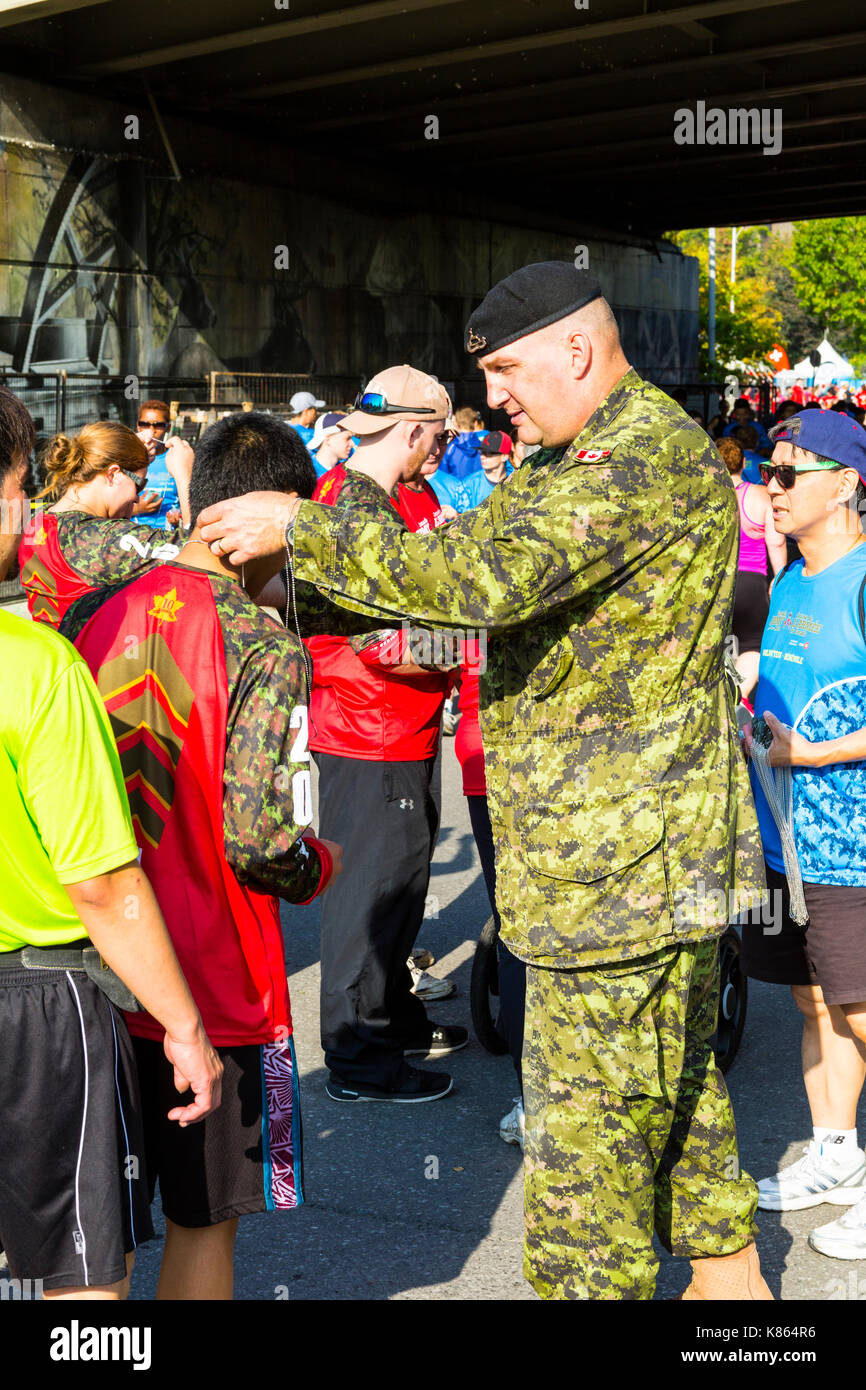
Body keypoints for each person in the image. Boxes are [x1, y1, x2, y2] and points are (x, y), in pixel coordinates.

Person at [198, 262, 771, 1301]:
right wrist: (292, 588)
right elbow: (467, 575)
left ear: (577, 352)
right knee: (680, 1114)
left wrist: (321, 512)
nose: (494, 395)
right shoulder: (567, 460)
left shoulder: (631, 459)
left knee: (584, 1192)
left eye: (506, 369)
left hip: (617, 879)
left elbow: (484, 582)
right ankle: (735, 1297)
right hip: (628, 864)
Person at [60, 411, 341, 1299]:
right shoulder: (266, 645)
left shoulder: (91, 608)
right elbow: (262, 842)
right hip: (218, 987)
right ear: (264, 516)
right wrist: (320, 867)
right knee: (205, 1224)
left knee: (98, 1243)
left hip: (93, 966)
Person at [0, 384, 221, 1301]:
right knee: (83, 1274)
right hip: (38, 1003)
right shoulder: (36, 665)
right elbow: (103, 885)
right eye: (15, 487)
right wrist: (183, 1024)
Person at [298, 367, 465, 1104]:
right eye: (440, 435)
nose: (441, 449)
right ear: (417, 429)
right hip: (372, 728)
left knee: (396, 889)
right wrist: (472, 645)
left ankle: (388, 1019)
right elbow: (372, 641)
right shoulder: (357, 509)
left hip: (385, 725)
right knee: (371, 895)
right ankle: (359, 1057)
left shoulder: (360, 495)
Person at [739, 410, 866, 1261]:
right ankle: (835, 1154)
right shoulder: (786, 579)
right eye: (770, 472)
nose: (771, 488)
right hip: (782, 845)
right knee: (813, 1002)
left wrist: (815, 750)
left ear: (847, 484)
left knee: (860, 1011)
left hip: (851, 847)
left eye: (791, 472)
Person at [18, 421, 192, 628]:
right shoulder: (101, 538)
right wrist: (185, 477)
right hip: (93, 658)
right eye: (138, 485)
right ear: (112, 474)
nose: (137, 498)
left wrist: (126, 447)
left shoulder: (37, 524)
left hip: (54, 654)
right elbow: (198, 554)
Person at [717, 437, 787, 702]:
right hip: (752, 582)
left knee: (719, 642)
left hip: (718, 582)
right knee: (753, 645)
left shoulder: (707, 498)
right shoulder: (758, 496)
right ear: (744, 463)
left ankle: (720, 698)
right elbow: (776, 540)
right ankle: (740, 695)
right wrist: (779, 577)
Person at [134, 399, 183, 528]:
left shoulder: (177, 459)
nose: (151, 430)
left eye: (158, 425)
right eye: (145, 424)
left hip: (169, 536)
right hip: (135, 536)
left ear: (168, 427)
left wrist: (179, 520)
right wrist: (138, 509)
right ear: (138, 426)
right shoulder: (127, 460)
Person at [308, 411, 353, 476]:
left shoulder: (343, 472)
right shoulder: (307, 474)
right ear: (328, 439)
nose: (352, 443)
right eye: (347, 438)